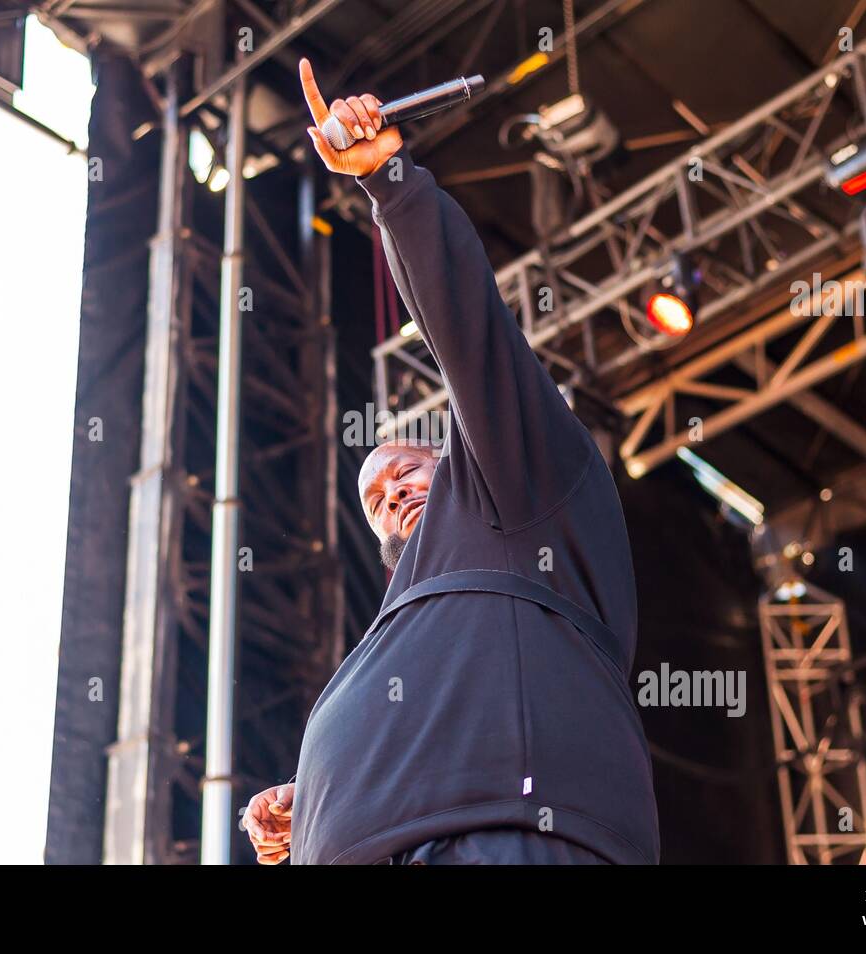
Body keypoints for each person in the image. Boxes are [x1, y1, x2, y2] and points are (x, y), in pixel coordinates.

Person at [241, 58, 658, 865]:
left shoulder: (511, 492)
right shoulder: (410, 616)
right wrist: (322, 796)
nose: (388, 490)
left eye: (402, 469)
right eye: (373, 499)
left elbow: (469, 333)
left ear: (456, 456)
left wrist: (390, 184)